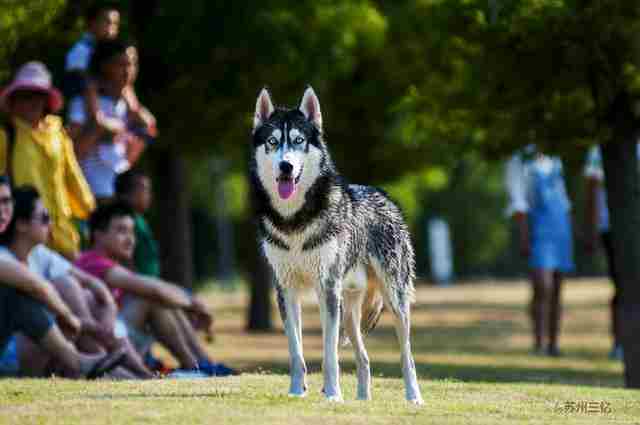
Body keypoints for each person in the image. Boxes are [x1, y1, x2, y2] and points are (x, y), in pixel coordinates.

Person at [0, 185, 151, 378]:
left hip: (64, 339)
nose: (51, 225)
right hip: (14, 355)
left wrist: (107, 314)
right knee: (57, 289)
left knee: (80, 294)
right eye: (45, 218)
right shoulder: (5, 255)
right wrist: (74, 320)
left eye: (7, 202)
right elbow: (36, 286)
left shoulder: (38, 253)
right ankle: (107, 367)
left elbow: (95, 286)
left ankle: (137, 374)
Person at [75, 202, 236, 376]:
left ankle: (202, 363)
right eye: (121, 231)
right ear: (99, 235)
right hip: (102, 343)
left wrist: (188, 300)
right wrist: (192, 303)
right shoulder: (92, 262)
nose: (130, 239)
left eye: (132, 232)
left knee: (161, 298)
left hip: (116, 338)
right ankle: (196, 366)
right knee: (150, 299)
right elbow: (154, 290)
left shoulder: (114, 264)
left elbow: (157, 287)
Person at [0, 62, 96, 260]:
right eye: (26, 96)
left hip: (62, 233)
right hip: (24, 235)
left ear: (47, 101)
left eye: (39, 96)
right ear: (14, 101)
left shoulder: (58, 133)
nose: (33, 102)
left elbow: (72, 176)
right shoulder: (6, 136)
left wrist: (92, 213)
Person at [505, 145, 574, 357]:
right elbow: (518, 201)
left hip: (560, 225)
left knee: (557, 287)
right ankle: (538, 341)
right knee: (543, 286)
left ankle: (554, 343)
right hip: (537, 227)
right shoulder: (519, 159)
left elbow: (562, 196)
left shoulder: (555, 158)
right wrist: (524, 236)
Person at [67, 39, 146, 202]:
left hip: (117, 198)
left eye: (131, 64)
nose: (127, 71)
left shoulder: (128, 107)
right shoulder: (82, 104)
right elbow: (72, 153)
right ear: (104, 66)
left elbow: (143, 134)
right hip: (87, 197)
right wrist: (99, 128)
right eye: (120, 64)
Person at [583, 145, 636, 360]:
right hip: (614, 228)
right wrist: (593, 230)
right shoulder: (600, 149)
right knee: (623, 285)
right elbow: (592, 191)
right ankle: (620, 342)